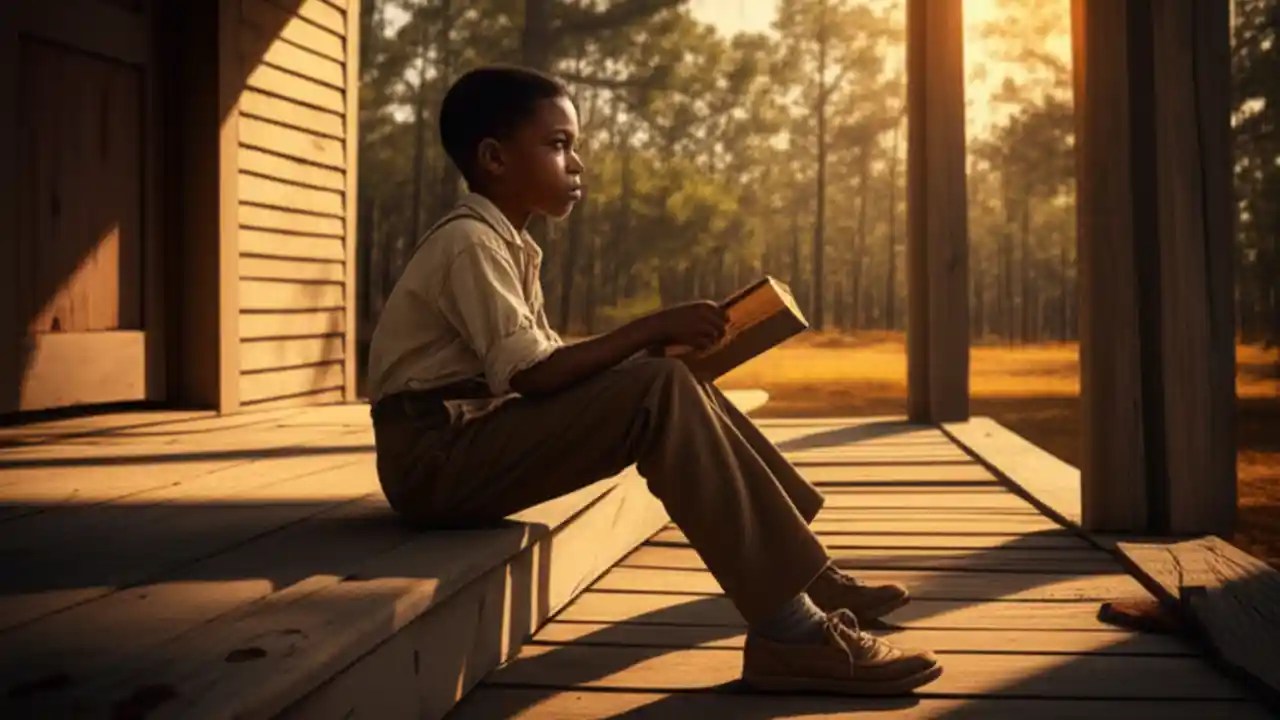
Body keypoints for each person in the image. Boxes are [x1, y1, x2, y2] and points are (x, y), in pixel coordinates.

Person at [366, 64, 942, 696]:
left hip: (467, 442)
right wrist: (647, 330)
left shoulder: (508, 244)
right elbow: (533, 374)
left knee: (669, 376)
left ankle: (809, 577)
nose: (577, 163)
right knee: (659, 384)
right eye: (558, 145)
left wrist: (651, 350)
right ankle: (793, 633)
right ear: (494, 159)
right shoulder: (471, 243)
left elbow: (542, 367)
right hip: (436, 459)